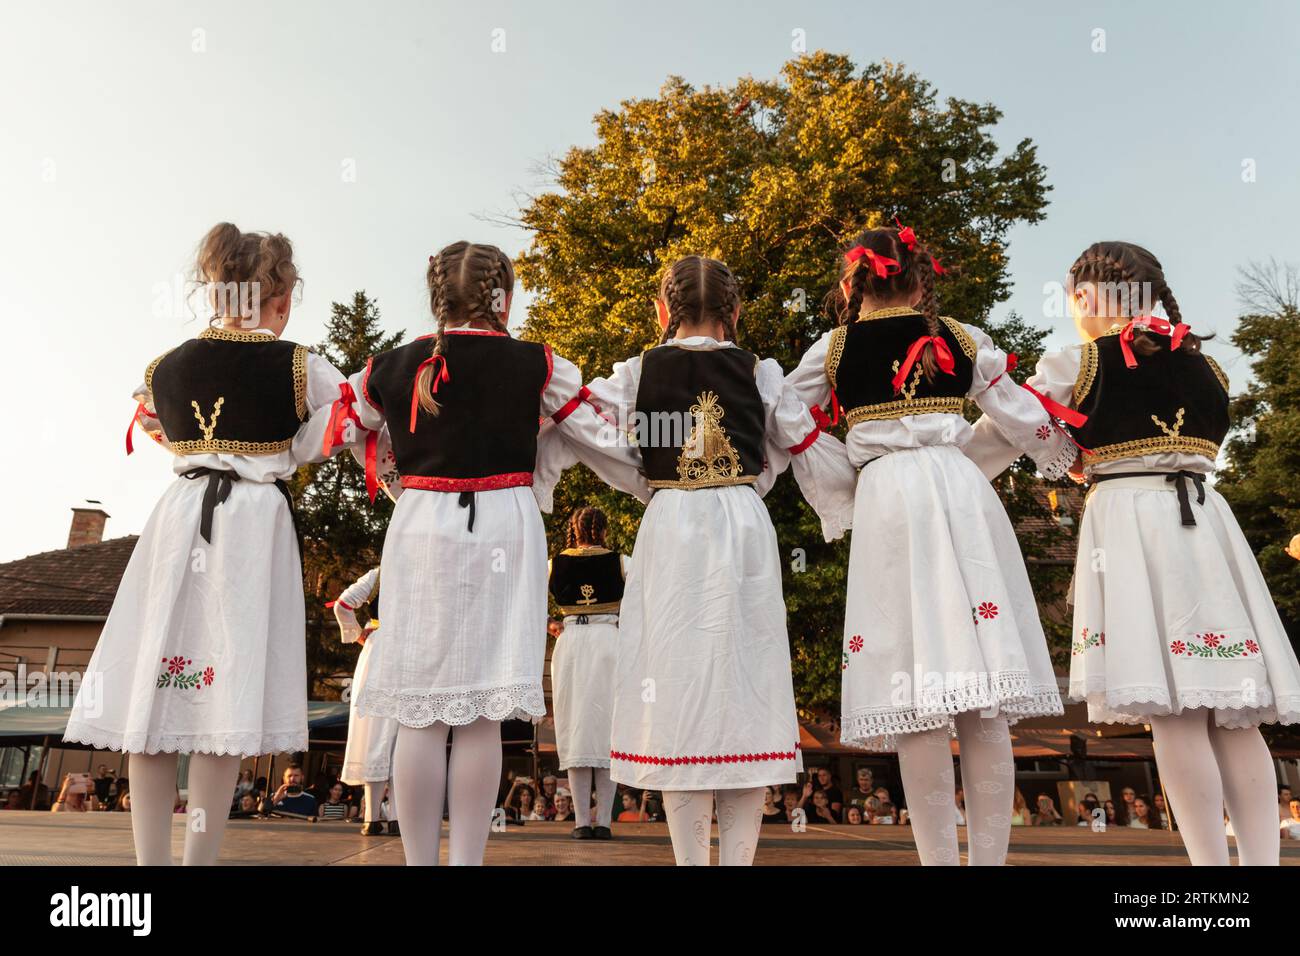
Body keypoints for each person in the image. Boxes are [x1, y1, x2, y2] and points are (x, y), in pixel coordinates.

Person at [969, 240, 1300, 867]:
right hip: (1207, 524)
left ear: (1088, 296)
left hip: (1129, 522)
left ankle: (1212, 875)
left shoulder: (1077, 362)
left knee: (1172, 716)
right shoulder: (1207, 368)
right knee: (1233, 717)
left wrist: (940, 470)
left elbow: (1004, 433)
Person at [62, 223, 359, 865]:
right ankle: (198, 862)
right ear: (278, 298)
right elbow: (341, 422)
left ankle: (151, 868)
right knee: (220, 705)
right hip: (252, 526)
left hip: (179, 515)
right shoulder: (299, 364)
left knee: (156, 699)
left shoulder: (165, 365)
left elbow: (160, 429)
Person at [787, 221, 1069, 866]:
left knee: (913, 690)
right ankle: (989, 859)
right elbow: (1023, 418)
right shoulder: (963, 338)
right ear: (921, 279)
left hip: (887, 499)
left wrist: (840, 486)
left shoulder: (831, 350)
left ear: (850, 282)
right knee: (984, 694)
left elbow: (787, 423)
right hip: (961, 494)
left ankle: (938, 859)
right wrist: (1066, 454)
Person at [343, 242, 628, 866]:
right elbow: (603, 435)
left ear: (436, 293)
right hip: (504, 523)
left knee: (420, 714)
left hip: (420, 527)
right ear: (505, 296)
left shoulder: (387, 366)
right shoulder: (539, 364)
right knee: (480, 717)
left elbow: (334, 431)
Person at [574, 255, 856, 866]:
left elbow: (582, 425)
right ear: (736, 311)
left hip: (671, 524)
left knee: (676, 689)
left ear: (660, 309)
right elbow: (796, 442)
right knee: (745, 687)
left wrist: (647, 477)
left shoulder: (635, 372)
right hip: (741, 530)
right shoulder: (761, 373)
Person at [548, 507, 625, 841]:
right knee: (608, 729)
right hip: (609, 640)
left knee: (577, 731)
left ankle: (581, 822)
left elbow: (527, 598)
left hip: (573, 642)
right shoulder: (622, 561)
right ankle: (604, 823)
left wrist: (549, 624)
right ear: (604, 530)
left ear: (573, 530)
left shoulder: (555, 563)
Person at [332, 567, 400, 837]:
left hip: (379, 651)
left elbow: (342, 605)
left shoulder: (379, 574)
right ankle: (396, 818)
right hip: (412, 651)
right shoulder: (427, 565)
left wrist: (358, 633)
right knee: (404, 734)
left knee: (375, 732)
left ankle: (371, 818)